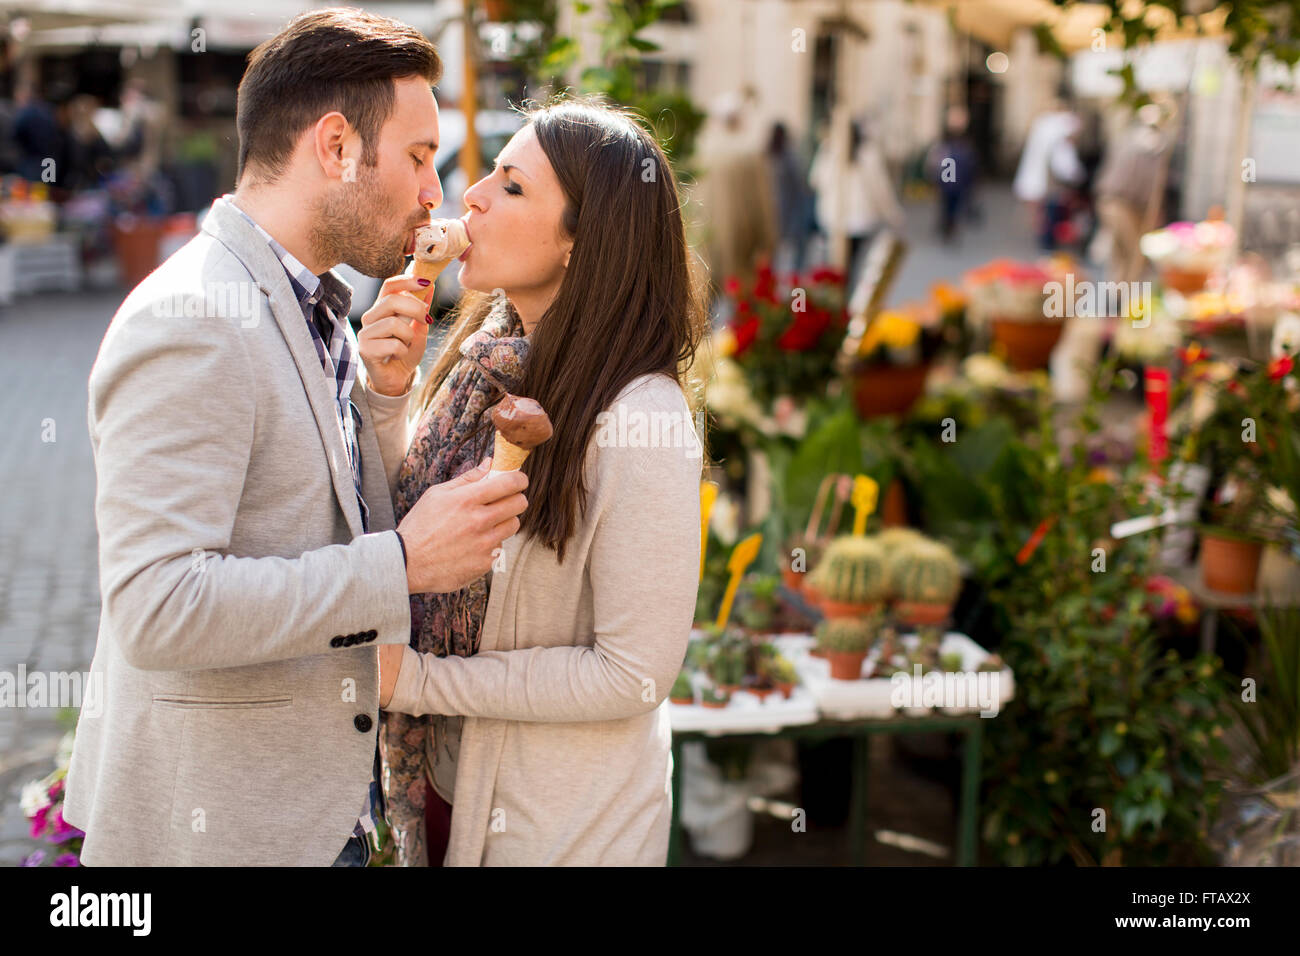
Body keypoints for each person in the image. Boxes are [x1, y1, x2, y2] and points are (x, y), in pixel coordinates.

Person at [61, 8, 528, 866]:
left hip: (310, 820)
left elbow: (319, 524)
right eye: (420, 158)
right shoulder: (195, 317)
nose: (437, 193)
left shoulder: (319, 308)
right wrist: (404, 565)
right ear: (337, 146)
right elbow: (158, 609)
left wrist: (382, 404)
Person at [378, 97, 706, 866]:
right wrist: (388, 393)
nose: (472, 196)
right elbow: (405, 518)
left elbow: (633, 675)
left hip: (560, 832)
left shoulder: (638, 418)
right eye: (490, 171)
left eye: (512, 186)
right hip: (441, 789)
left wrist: (418, 681)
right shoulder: (485, 357)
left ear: (580, 243)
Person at [809, 118, 904, 290]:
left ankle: (839, 297)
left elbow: (815, 180)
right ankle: (843, 296)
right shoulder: (859, 153)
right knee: (848, 267)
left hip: (835, 220)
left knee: (836, 266)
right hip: (854, 221)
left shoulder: (832, 151)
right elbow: (881, 190)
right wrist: (893, 215)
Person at [1095, 102, 1172, 285]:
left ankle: (1116, 294)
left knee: (1120, 253)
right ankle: (1124, 300)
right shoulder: (1150, 145)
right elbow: (1149, 183)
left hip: (1109, 200)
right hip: (1125, 204)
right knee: (1135, 255)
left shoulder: (1127, 138)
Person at [926, 105, 978, 244]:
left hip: (954, 182)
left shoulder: (962, 145)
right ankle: (948, 226)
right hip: (950, 182)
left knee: (952, 207)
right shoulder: (949, 145)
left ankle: (950, 227)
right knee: (949, 206)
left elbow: (969, 166)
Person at [766, 121, 811, 274]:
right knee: (793, 253)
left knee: (778, 253)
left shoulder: (769, 157)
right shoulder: (788, 158)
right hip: (787, 211)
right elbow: (800, 186)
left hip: (777, 212)